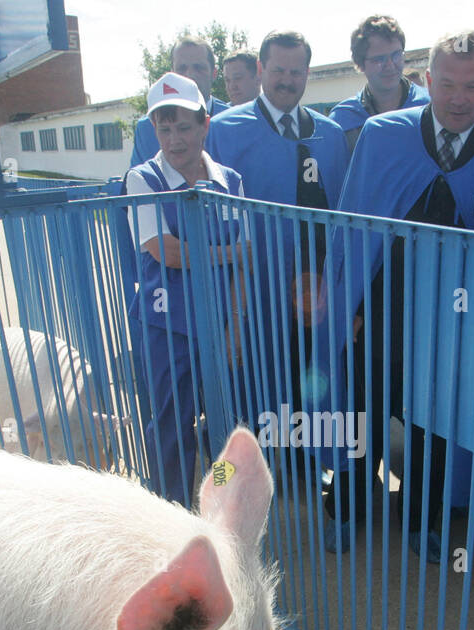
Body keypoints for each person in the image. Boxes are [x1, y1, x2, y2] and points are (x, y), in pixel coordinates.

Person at [320, 30, 474, 559]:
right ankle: (348, 507)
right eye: (447, 83)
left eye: (473, 86)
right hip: (380, 316)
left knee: (433, 429)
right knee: (363, 417)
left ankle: (422, 519)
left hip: (452, 326)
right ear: (426, 80)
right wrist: (350, 307)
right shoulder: (382, 135)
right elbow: (350, 228)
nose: (458, 97)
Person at [207, 31, 349, 427]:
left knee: (309, 383)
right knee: (247, 390)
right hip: (250, 288)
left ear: (308, 73)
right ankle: (237, 482)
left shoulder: (330, 133)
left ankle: (303, 469)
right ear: (260, 70)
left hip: (312, 289)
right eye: (278, 70)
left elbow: (339, 214)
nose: (287, 80)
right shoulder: (223, 130)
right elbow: (213, 221)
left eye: (297, 71)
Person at [123, 72, 247, 508]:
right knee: (170, 428)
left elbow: (246, 263)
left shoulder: (230, 180)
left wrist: (233, 328)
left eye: (184, 127)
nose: (174, 139)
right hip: (164, 329)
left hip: (218, 330)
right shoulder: (143, 179)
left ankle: (220, 505)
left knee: (225, 429)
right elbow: (166, 252)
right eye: (164, 127)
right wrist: (228, 253)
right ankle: (170, 510)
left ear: (205, 124)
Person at [329, 15, 430, 154]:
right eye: (379, 59)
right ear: (360, 64)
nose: (390, 65)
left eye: (396, 55)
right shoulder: (342, 121)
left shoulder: (430, 107)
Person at [129, 36, 230, 168]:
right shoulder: (146, 127)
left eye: (199, 67)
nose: (190, 75)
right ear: (172, 73)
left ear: (214, 73)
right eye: (182, 68)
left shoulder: (233, 122)